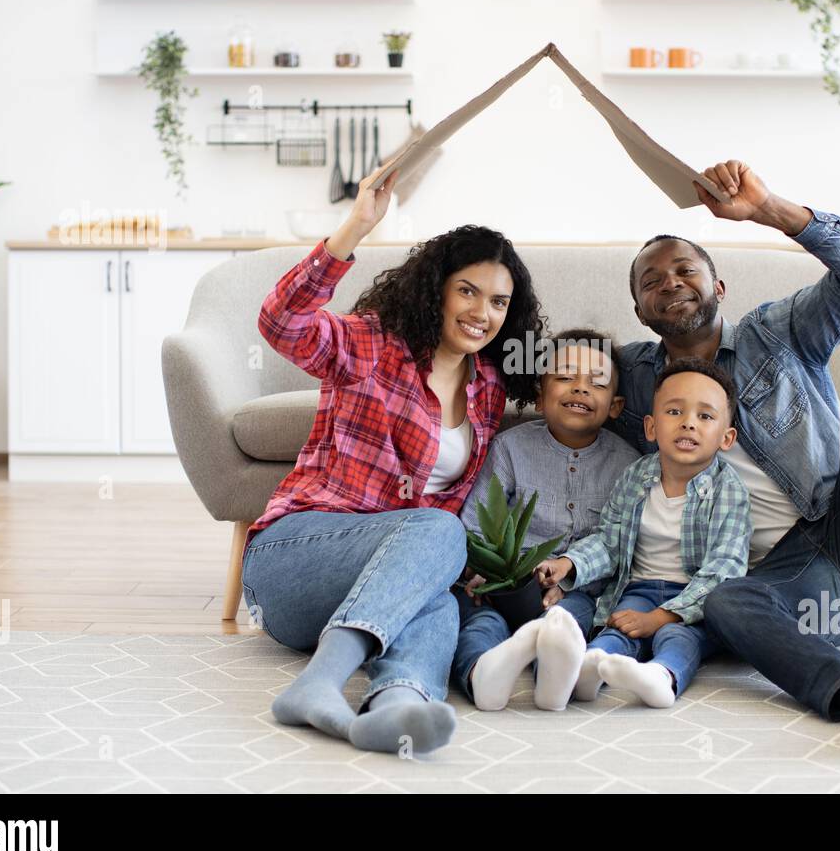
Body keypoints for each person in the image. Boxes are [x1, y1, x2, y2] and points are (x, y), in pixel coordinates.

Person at [605, 158, 840, 755]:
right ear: (639, 311)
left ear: (718, 288)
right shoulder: (629, 376)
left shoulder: (776, 332)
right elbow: (544, 385)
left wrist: (769, 210)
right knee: (724, 600)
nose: (669, 282)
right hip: (781, 588)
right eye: (651, 281)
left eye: (685, 270)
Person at [239, 164, 546, 755]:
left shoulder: (488, 388)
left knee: (441, 593)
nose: (483, 311)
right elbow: (281, 323)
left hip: (374, 590)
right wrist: (354, 227)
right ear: (436, 288)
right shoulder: (372, 344)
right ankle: (320, 682)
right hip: (292, 563)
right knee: (439, 531)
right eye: (468, 291)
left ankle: (395, 704)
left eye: (500, 301)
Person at [534, 357, 752, 710]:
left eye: (705, 416)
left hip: (696, 600)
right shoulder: (636, 477)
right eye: (674, 412)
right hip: (638, 588)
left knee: (676, 636)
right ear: (651, 427)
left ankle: (662, 676)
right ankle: (589, 667)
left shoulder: (729, 490)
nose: (688, 425)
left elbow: (723, 569)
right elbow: (609, 541)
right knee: (618, 628)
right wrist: (568, 564)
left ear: (726, 438)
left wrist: (661, 617)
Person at [453, 329, 641, 711]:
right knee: (481, 625)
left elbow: (621, 541)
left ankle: (555, 679)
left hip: (576, 590)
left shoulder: (629, 464)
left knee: (568, 622)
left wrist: (569, 578)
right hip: (503, 584)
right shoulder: (510, 448)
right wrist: (492, 574)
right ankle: (481, 674)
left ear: (616, 405)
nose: (581, 389)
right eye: (565, 377)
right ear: (540, 397)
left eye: (597, 383)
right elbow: (475, 521)